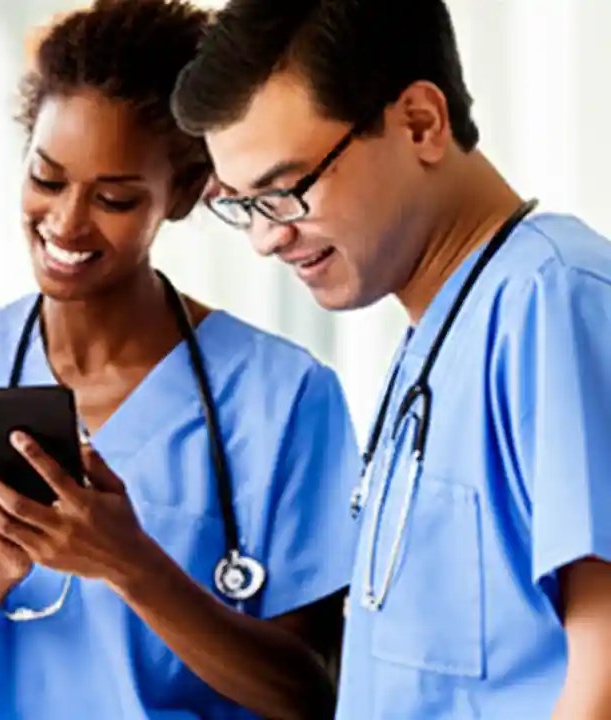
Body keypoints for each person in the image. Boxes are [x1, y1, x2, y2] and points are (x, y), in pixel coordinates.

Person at [0, 2, 360, 718]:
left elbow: (309, 694)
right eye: (47, 179)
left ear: (187, 193)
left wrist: (129, 563)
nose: (67, 223)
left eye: (114, 197)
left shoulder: (282, 396)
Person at [172, 1, 611, 717]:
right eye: (243, 206)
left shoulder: (553, 301)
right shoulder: (433, 341)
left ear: (419, 124)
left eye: (284, 192)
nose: (265, 239)